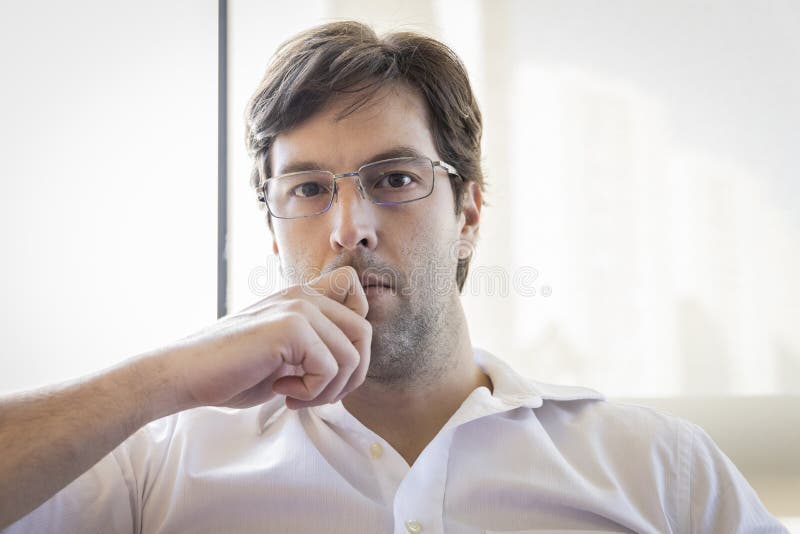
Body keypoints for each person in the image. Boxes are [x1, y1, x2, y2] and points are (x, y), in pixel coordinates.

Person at [0, 20, 787, 534]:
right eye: (308, 190)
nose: (350, 227)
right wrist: (164, 379)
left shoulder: (660, 472)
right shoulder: (158, 466)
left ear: (470, 211)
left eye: (395, 178)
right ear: (273, 229)